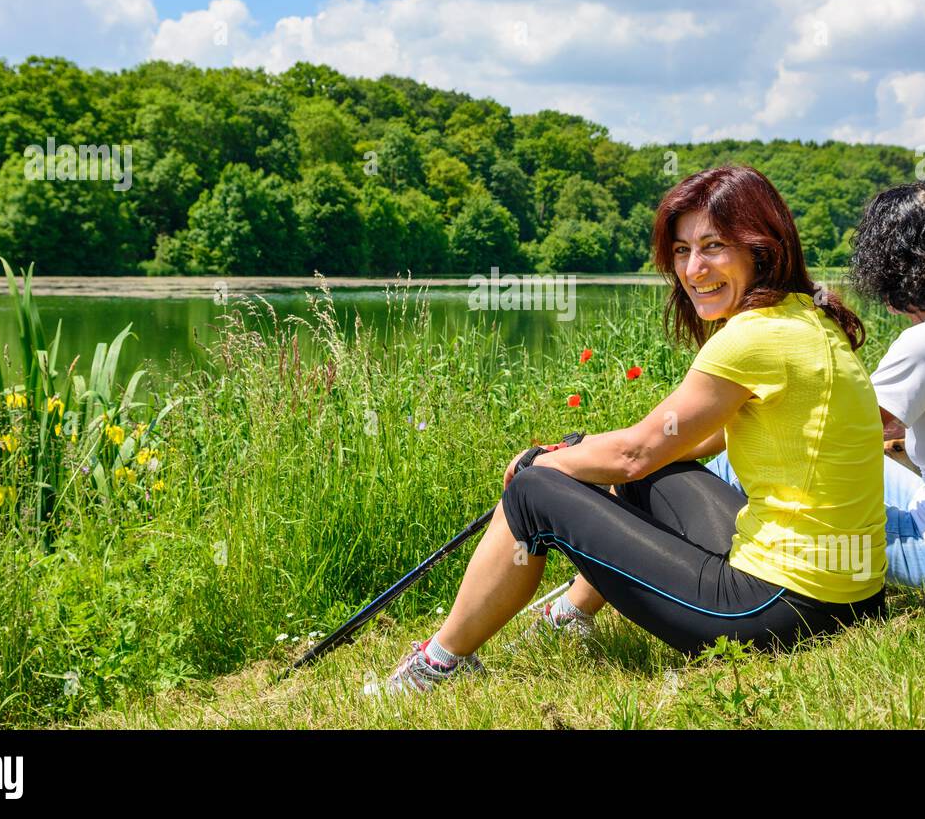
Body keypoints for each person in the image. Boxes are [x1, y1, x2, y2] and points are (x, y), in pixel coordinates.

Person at [372, 165, 888, 694]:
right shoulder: (809, 318)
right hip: (851, 596)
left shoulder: (752, 338)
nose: (694, 269)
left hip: (779, 611)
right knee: (647, 472)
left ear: (761, 249)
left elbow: (633, 454)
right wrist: (579, 451)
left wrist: (539, 463)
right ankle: (570, 616)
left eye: (713, 246)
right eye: (683, 251)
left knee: (532, 491)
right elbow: (678, 445)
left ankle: (436, 664)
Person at [711, 182, 925, 589]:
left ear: (889, 264)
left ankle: (728, 578)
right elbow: (886, 432)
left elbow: (840, 436)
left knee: (736, 463)